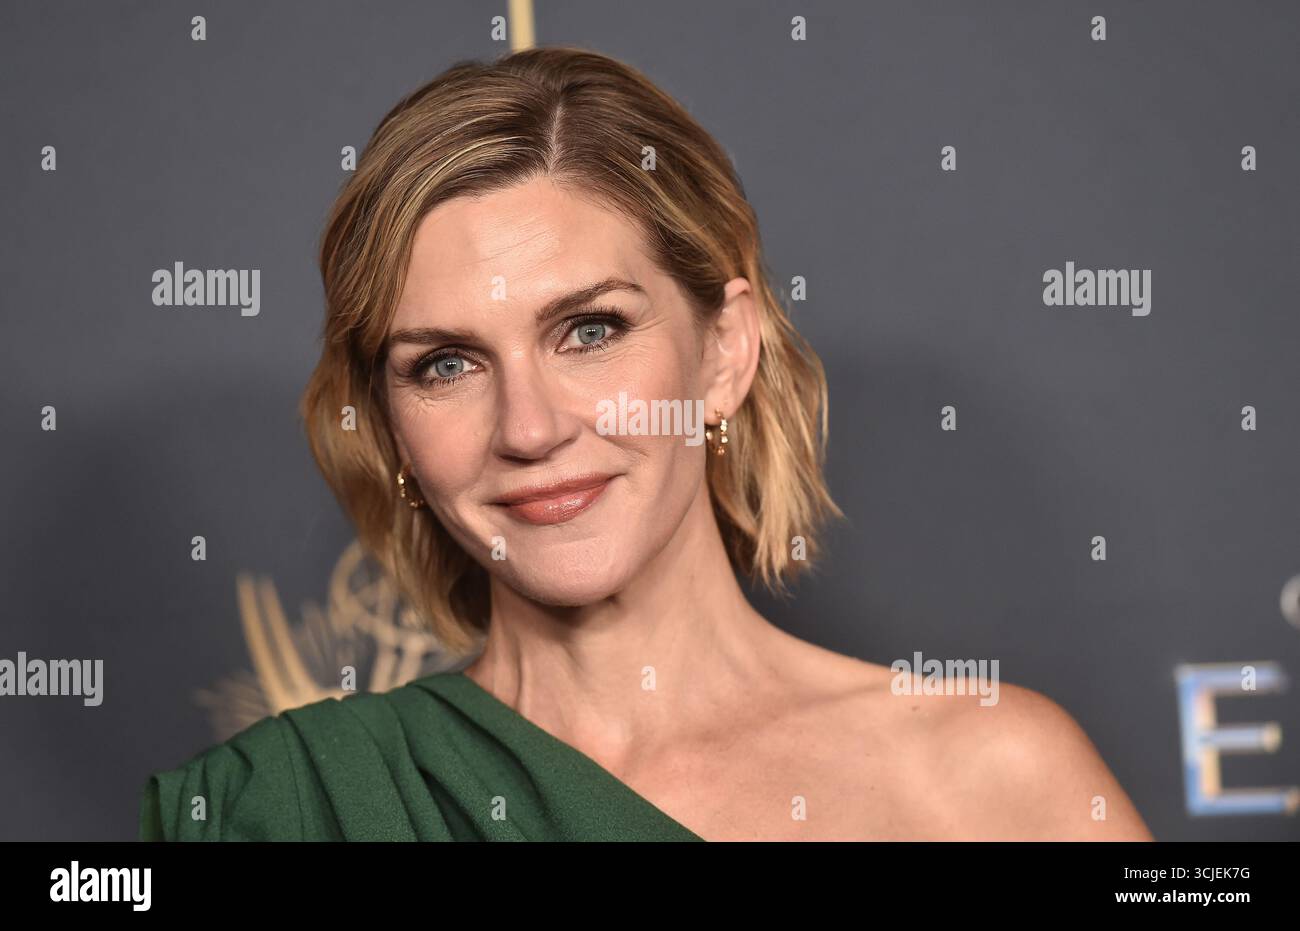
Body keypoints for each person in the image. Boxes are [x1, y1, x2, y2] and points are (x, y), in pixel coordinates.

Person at [139, 46, 1152, 841]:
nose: (530, 429)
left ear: (724, 349)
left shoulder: (987, 779)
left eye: (590, 330)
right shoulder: (283, 809)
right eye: (445, 363)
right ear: (391, 425)